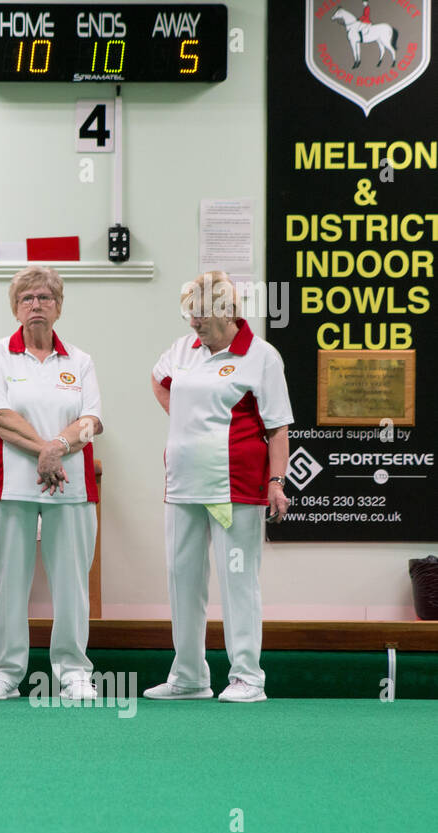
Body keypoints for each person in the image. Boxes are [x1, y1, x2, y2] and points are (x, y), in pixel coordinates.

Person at [145, 272, 292, 702]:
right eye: (189, 314)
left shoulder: (261, 356)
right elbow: (158, 379)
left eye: (202, 315)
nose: (194, 323)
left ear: (228, 312)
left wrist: (276, 481)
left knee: (238, 579)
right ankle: (189, 676)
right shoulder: (182, 349)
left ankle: (247, 678)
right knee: (182, 579)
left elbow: (278, 428)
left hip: (236, 487)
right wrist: (182, 421)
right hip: (182, 485)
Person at [0, 266, 103, 701]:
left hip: (72, 487)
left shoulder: (80, 361)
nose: (36, 305)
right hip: (10, 485)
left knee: (72, 582)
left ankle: (74, 672)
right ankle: (5, 674)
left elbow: (92, 420)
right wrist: (48, 450)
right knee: (10, 582)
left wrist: (58, 447)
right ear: (15, 308)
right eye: (27, 298)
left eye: (45, 297)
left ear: (59, 307)